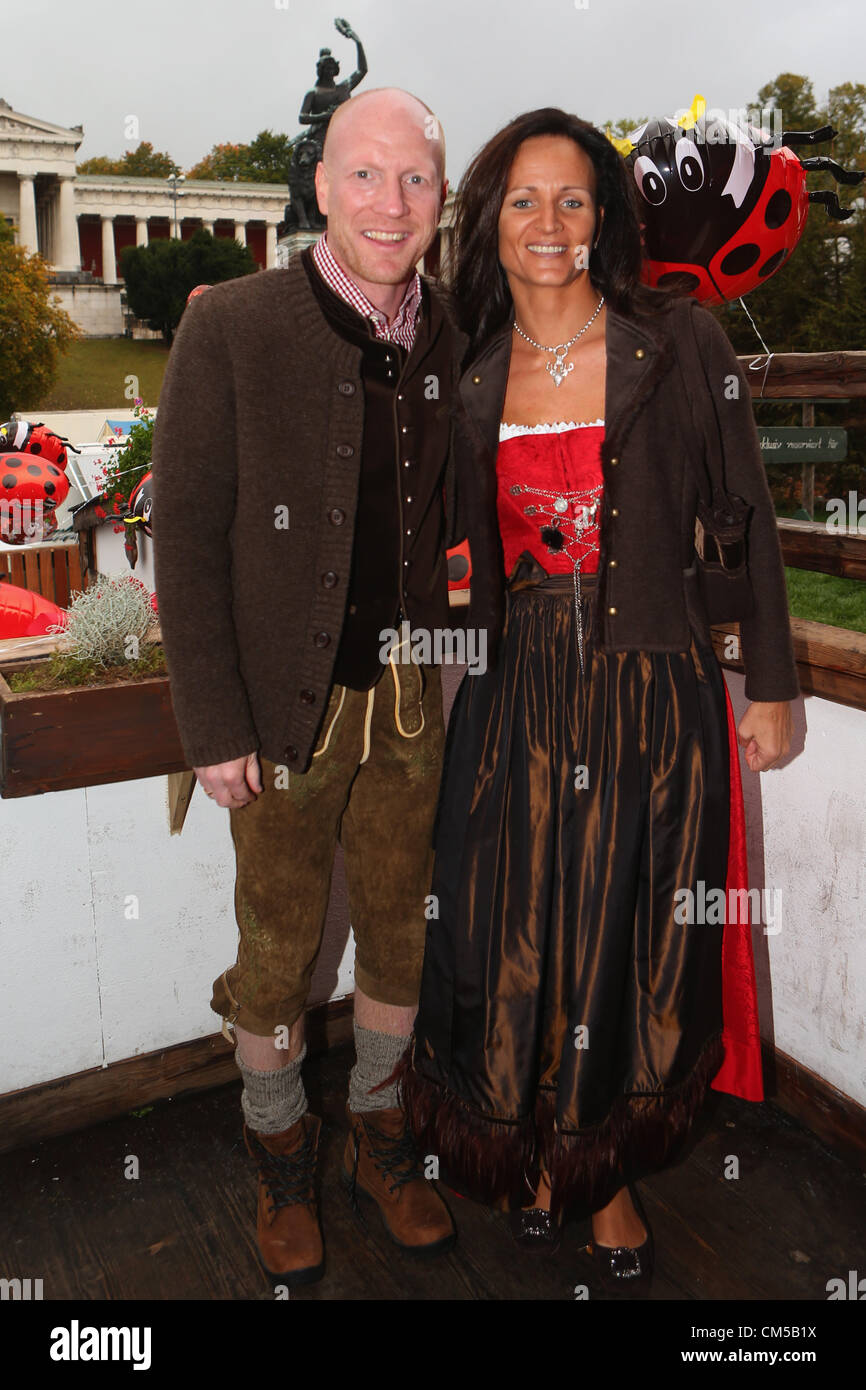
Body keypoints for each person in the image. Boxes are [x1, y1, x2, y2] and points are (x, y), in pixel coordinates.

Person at [396, 107, 800, 1295]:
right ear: (490, 220)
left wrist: (767, 683)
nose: (547, 224)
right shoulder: (464, 365)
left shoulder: (677, 343)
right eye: (522, 200)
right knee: (507, 929)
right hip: (514, 687)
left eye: (572, 199)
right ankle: (527, 1153)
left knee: (627, 926)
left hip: (649, 683)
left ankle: (603, 1171)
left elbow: (746, 517)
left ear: (607, 218)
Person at [151, 87, 499, 1287]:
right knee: (278, 947)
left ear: (439, 197)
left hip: (417, 704)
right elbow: (183, 536)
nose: (388, 204)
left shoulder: (458, 335)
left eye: (413, 180)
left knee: (403, 932)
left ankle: (382, 1142)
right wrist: (211, 722)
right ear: (318, 185)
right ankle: (278, 1153)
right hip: (281, 716)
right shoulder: (233, 326)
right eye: (363, 175)